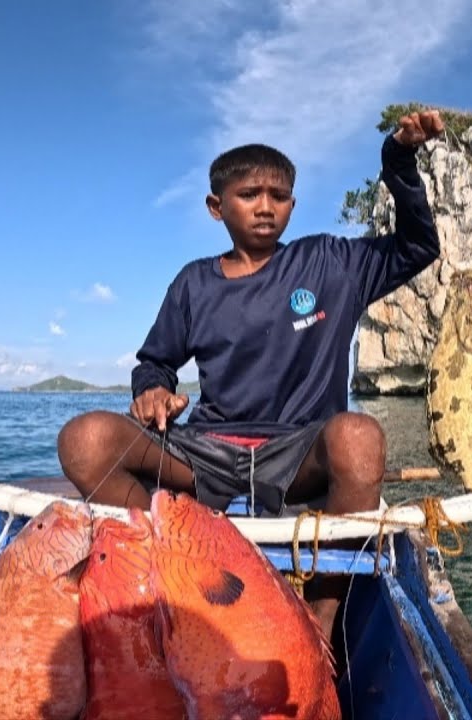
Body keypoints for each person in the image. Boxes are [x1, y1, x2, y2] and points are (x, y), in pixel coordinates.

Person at [55, 108, 445, 651]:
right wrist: (153, 390)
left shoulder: (330, 263)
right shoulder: (193, 283)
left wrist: (398, 158)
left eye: (279, 195)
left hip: (298, 451)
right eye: (249, 194)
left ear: (293, 204)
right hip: (210, 451)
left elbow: (417, 246)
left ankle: (321, 621)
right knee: (85, 440)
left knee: (359, 437)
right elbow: (155, 361)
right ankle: (174, 571)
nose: (266, 206)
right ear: (217, 207)